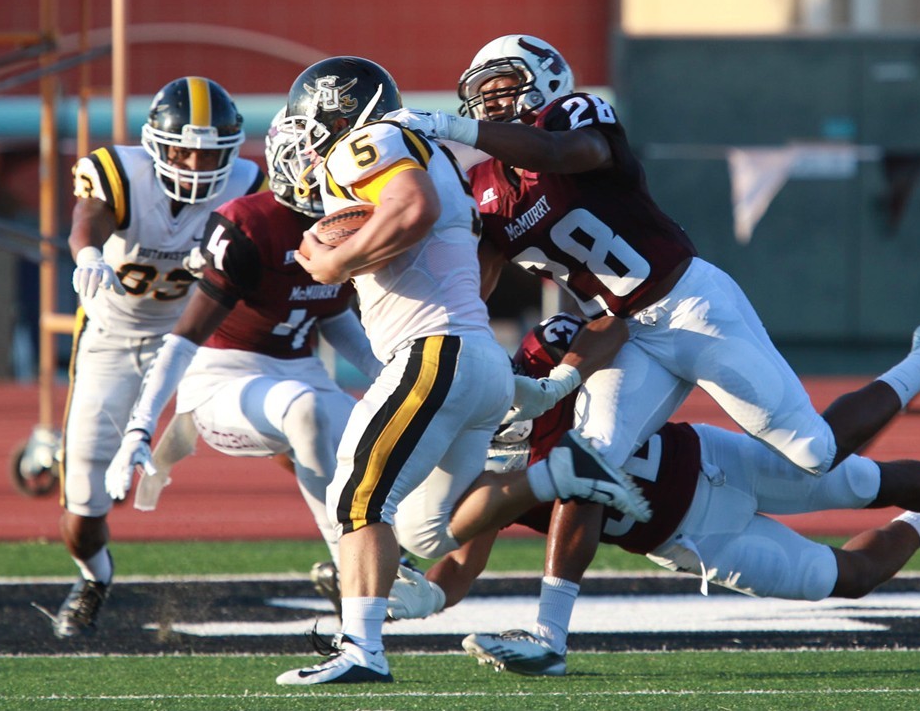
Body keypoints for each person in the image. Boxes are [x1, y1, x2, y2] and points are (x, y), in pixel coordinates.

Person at [403, 34, 920, 664]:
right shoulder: (485, 184)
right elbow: (471, 284)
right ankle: (548, 636)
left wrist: (454, 129)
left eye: (502, 88)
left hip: (689, 302)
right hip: (626, 328)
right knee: (588, 460)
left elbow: (567, 153)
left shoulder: (575, 117)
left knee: (815, 451)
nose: (488, 104)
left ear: (544, 80)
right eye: (479, 96)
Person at [268, 55, 650, 685]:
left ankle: (361, 648)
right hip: (477, 364)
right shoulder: (437, 156)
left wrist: (338, 265)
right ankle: (558, 473)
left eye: (310, 118)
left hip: (433, 353)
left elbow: (411, 208)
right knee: (426, 526)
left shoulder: (368, 139)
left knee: (356, 498)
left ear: (337, 111)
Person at [434, 313, 920, 677]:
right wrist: (389, 596)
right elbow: (459, 563)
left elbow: (610, 323)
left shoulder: (547, 358)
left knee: (856, 473)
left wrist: (578, 365)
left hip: (720, 459)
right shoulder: (479, 475)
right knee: (849, 577)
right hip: (693, 539)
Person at [100, 116, 379, 570]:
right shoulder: (252, 223)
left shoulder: (357, 221)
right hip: (222, 379)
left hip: (302, 370)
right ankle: (348, 565)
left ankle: (394, 557)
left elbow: (332, 313)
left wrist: (394, 380)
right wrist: (140, 428)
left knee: (385, 439)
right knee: (304, 409)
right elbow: (185, 338)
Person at [48, 76, 264, 639]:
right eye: (183, 149)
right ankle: (94, 578)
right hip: (114, 337)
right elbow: (86, 219)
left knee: (287, 415)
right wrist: (89, 252)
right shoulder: (120, 172)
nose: (195, 163)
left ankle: (346, 547)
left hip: (201, 335)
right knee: (83, 511)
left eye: (209, 152)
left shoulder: (247, 181)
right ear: (156, 146)